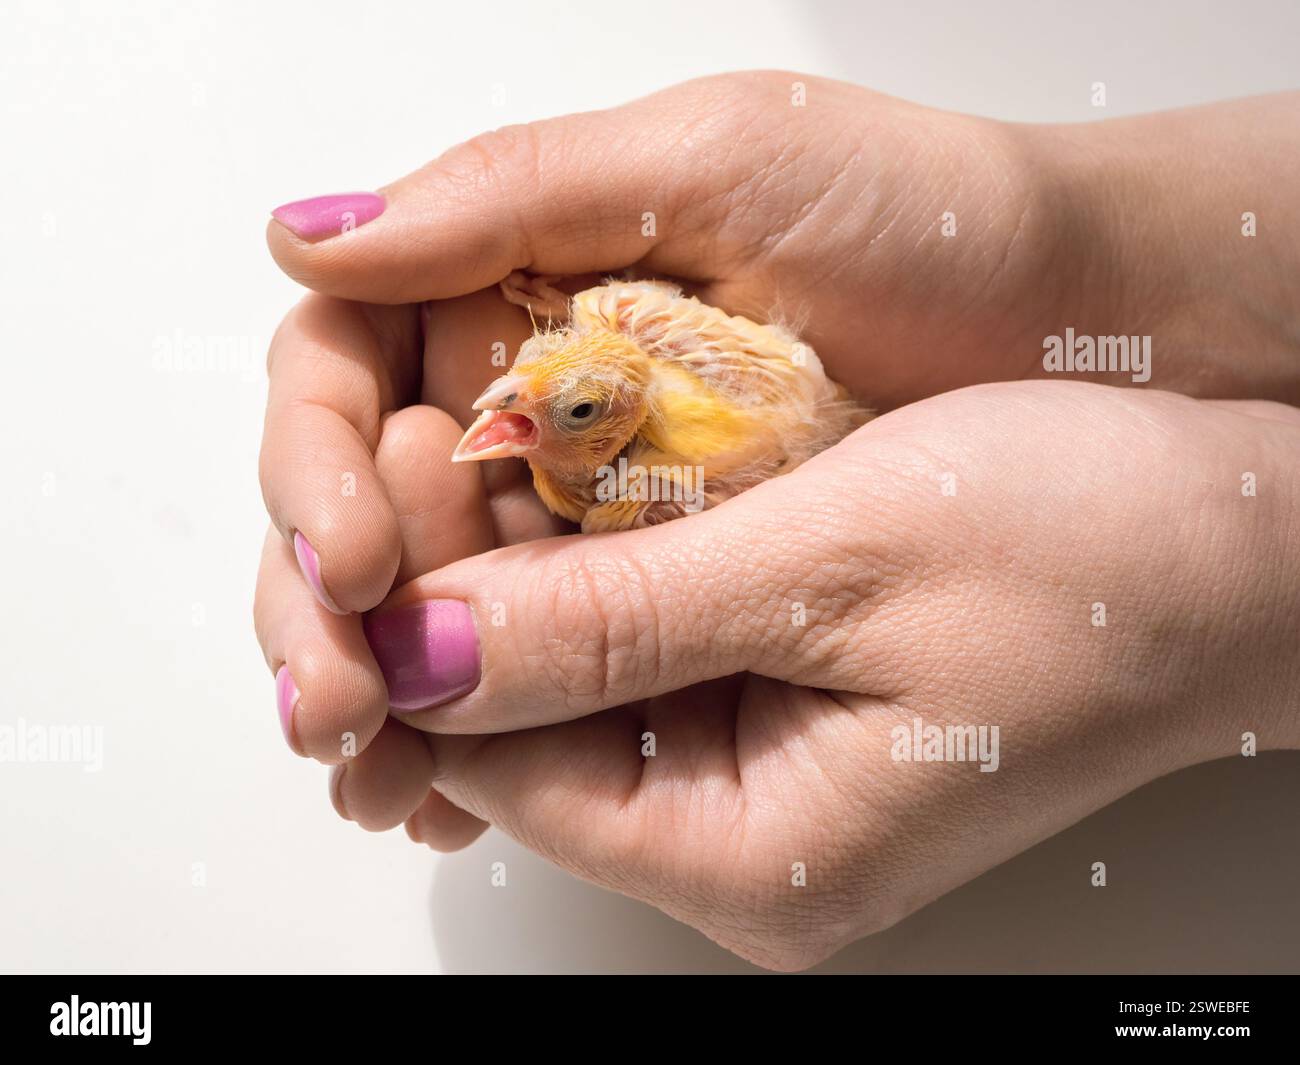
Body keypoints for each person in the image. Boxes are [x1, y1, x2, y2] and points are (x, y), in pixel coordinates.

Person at [253, 71, 1300, 970]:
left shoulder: (629, 483)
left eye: (571, 410)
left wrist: (1239, 574)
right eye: (533, 385)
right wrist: (1126, 253)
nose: (509, 403)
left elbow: (755, 441)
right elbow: (602, 357)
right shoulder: (609, 327)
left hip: (790, 431)